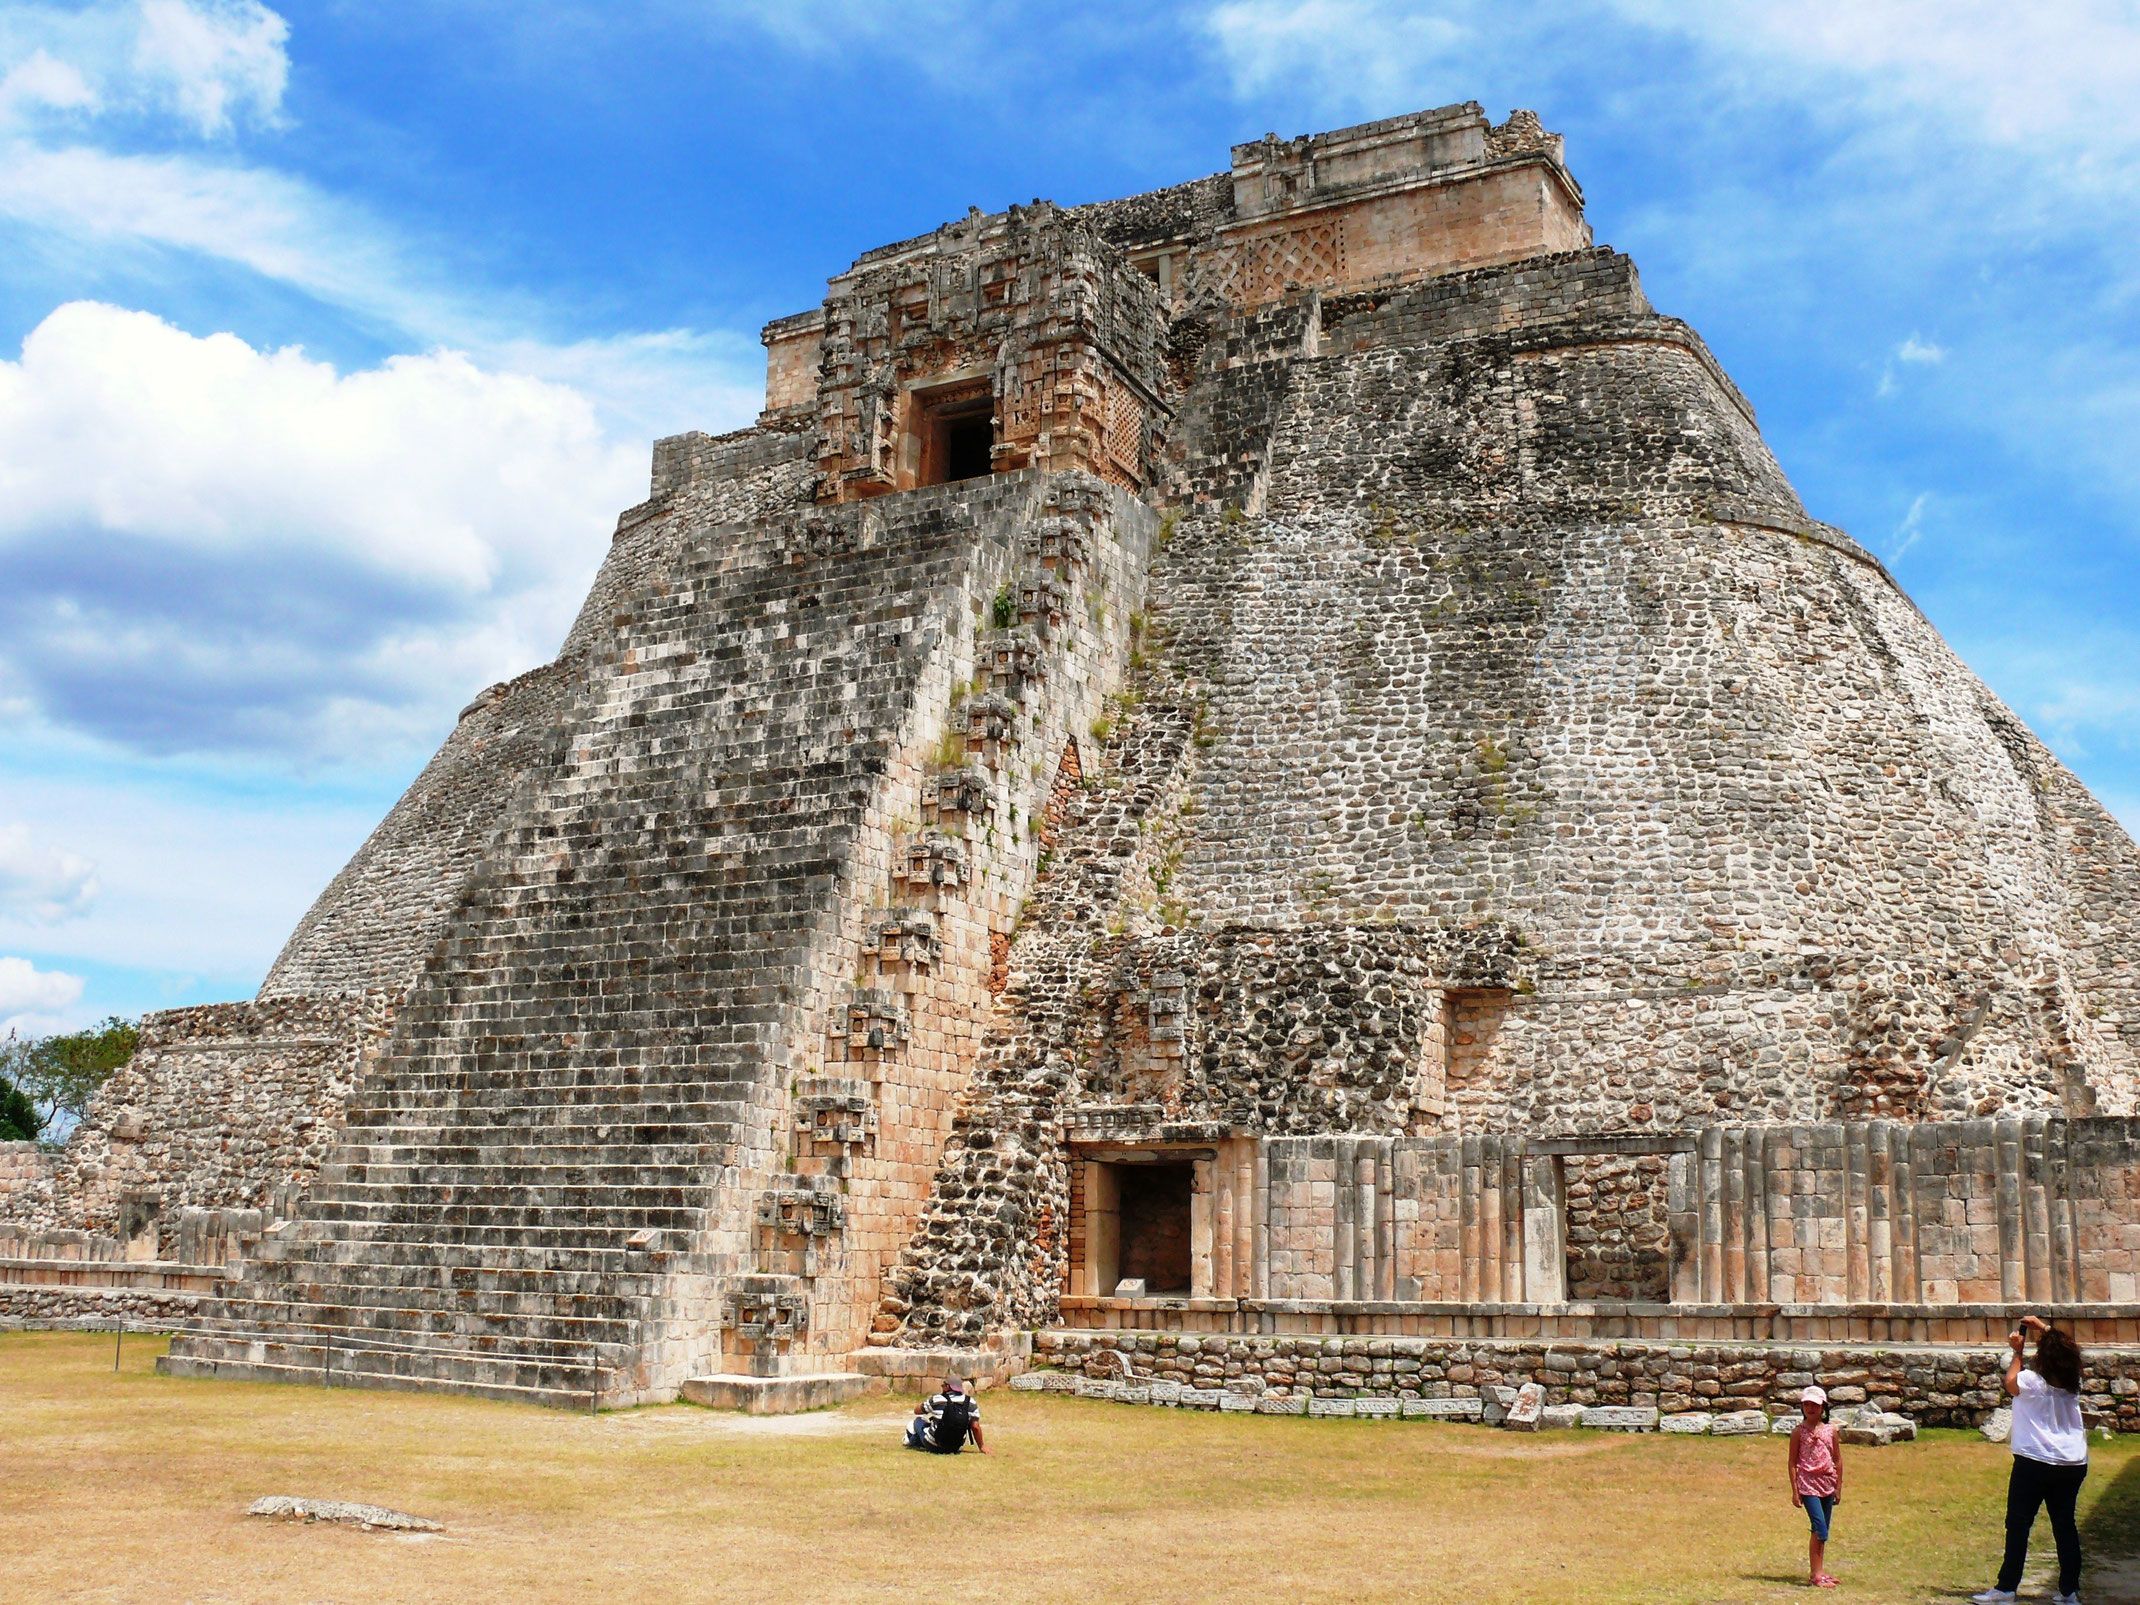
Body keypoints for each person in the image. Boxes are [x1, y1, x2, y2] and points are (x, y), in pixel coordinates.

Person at [1973, 1315, 2090, 1605]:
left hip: (2035, 1460)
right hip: (2071, 1462)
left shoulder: (2030, 1381)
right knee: (2065, 1526)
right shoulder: (2072, 1380)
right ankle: (2069, 1591)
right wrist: (2044, 1329)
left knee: (2018, 1524)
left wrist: (2017, 1351)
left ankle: (2006, 1588)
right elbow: (2067, 1349)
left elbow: (2010, 1382)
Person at [1787, 1384, 1843, 1588]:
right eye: (1806, 1405)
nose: (1810, 1409)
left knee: (1822, 1530)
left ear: (1823, 1408)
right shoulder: (1798, 1433)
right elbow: (1792, 1462)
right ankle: (1815, 1574)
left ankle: (1818, 1571)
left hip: (1827, 1483)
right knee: (1819, 1527)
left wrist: (1838, 1486)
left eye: (1814, 1405)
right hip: (1808, 1484)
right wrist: (1795, 1491)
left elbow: (1837, 1459)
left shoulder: (1831, 1431)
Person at [904, 1378, 989, 1455]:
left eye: (943, 1385)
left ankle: (911, 1439)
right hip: (955, 1446)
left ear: (948, 1387)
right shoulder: (970, 1402)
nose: (942, 1388)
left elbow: (917, 1411)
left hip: (934, 1444)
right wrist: (982, 1446)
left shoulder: (937, 1399)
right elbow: (975, 1427)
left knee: (918, 1421)